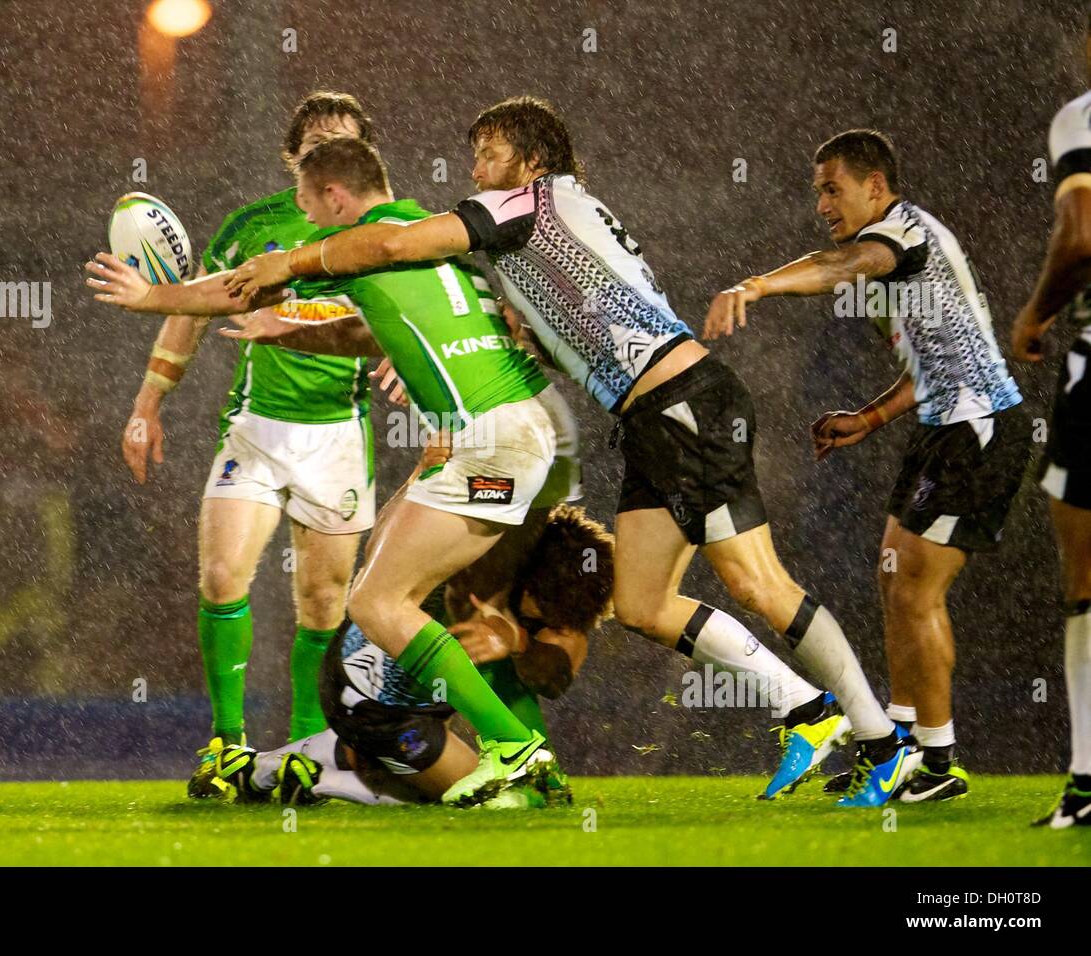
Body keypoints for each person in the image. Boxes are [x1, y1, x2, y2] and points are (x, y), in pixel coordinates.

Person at [221, 96, 910, 807]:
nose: (475, 170)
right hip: (658, 412)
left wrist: (290, 262)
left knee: (760, 585)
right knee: (644, 603)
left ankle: (866, 736)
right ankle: (824, 716)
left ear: (532, 162)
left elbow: (396, 245)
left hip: (682, 403)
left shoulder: (532, 205)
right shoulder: (545, 226)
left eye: (488, 154)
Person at [89, 137, 577, 806]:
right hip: (512, 445)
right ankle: (497, 755)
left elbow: (238, 289)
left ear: (336, 197)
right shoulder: (425, 234)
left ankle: (512, 748)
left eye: (311, 206)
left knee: (379, 604)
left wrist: (150, 297)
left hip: (492, 450)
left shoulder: (359, 244)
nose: (308, 221)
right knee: (393, 588)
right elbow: (364, 333)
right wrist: (288, 334)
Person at [704, 129, 1028, 802]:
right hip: (945, 427)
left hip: (981, 429)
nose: (823, 202)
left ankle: (936, 767)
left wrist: (758, 285)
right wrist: (871, 417)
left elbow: (837, 265)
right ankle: (901, 745)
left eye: (833, 188)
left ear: (875, 187)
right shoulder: (894, 261)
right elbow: (924, 368)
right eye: (818, 190)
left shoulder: (901, 237)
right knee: (892, 583)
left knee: (915, 593)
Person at [115, 91, 378, 795]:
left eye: (340, 143)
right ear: (294, 156)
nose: (325, 154)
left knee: (322, 607)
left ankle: (303, 750)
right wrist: (147, 403)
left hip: (338, 437)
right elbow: (196, 309)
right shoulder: (255, 225)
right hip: (257, 430)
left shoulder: (384, 235)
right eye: (314, 142)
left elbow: (413, 320)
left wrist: (410, 365)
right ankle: (227, 747)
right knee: (222, 577)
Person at [202, 503, 611, 808]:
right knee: (483, 794)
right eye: (548, 621)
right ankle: (318, 782)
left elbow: (555, 675)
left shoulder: (546, 588)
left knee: (528, 770)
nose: (553, 629)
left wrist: (522, 641)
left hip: (375, 688)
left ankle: (260, 769)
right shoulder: (475, 578)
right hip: (376, 700)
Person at [1013, 14, 1091, 829]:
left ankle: (1089, 783)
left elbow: (1079, 235)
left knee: (1086, 587)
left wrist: (1034, 315)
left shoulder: (1082, 116)